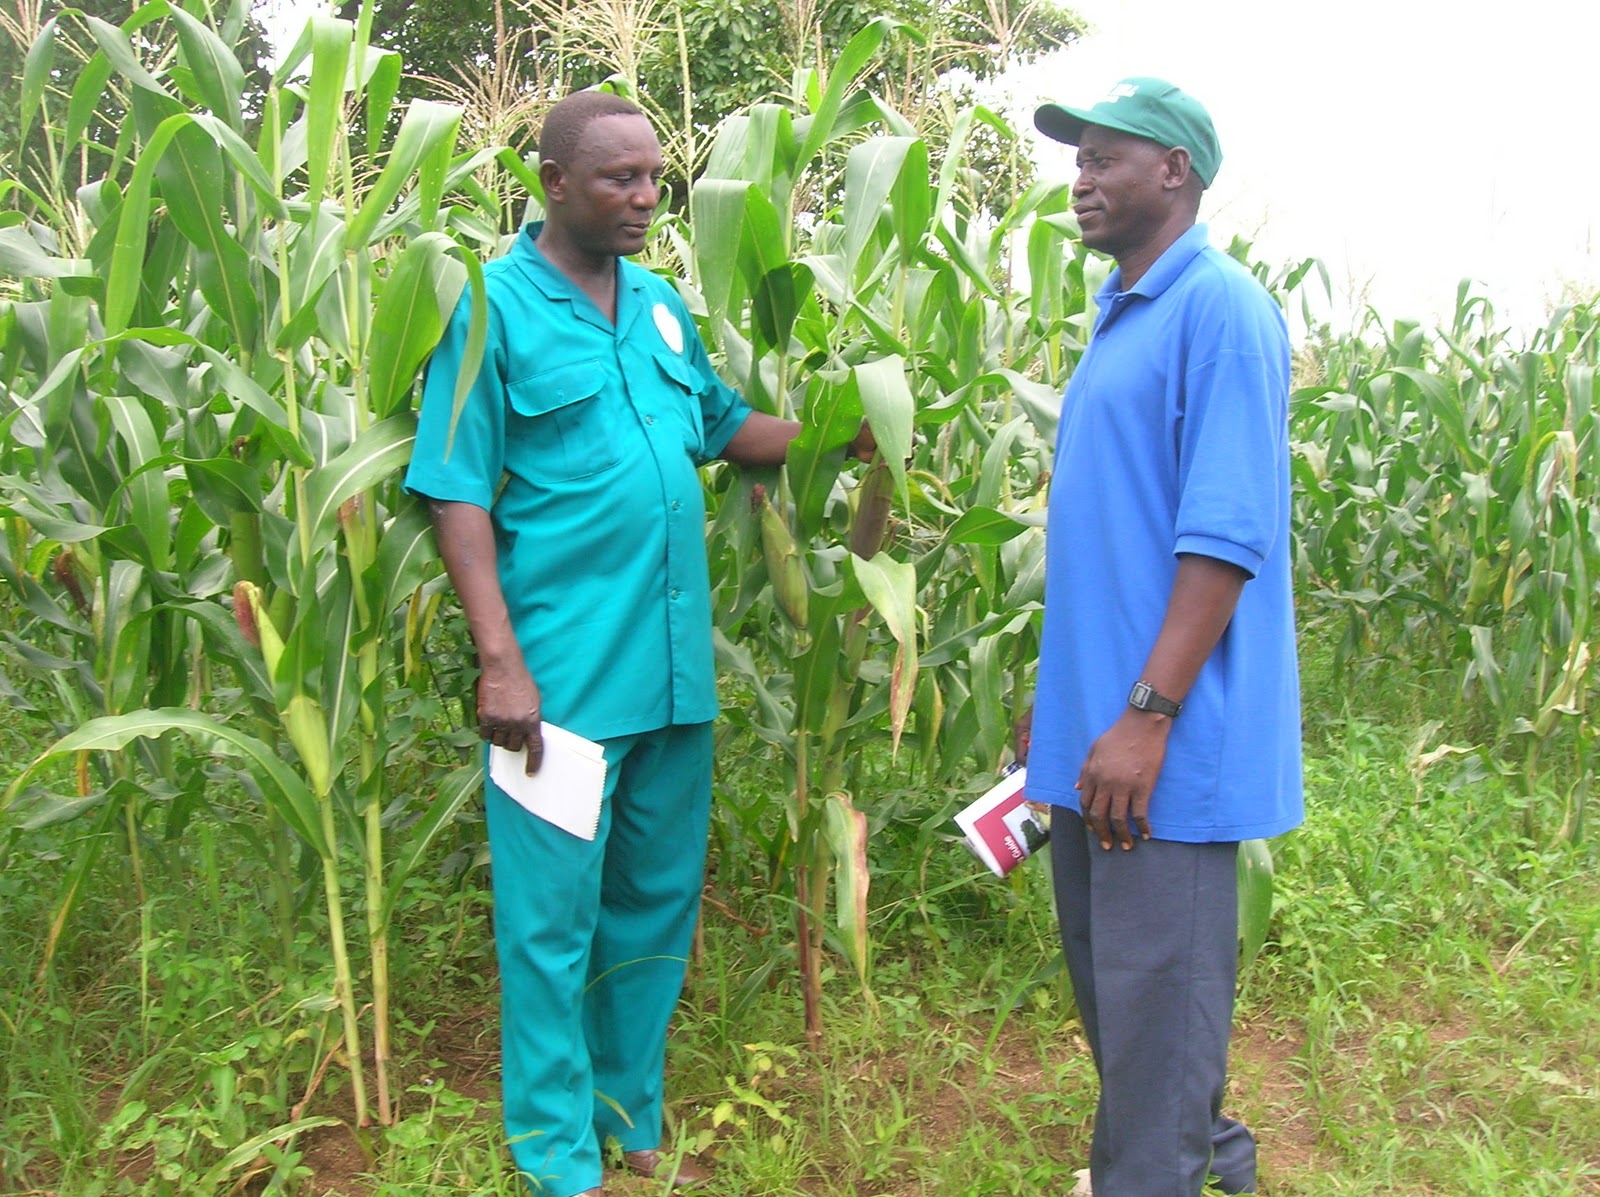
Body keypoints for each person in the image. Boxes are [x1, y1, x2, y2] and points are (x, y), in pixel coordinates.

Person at [404, 89, 871, 1197]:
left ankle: (630, 1107)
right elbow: (456, 490)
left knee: (653, 907)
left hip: (671, 679)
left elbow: (720, 427)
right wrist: (498, 661)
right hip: (562, 680)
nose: (648, 199)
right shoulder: (494, 307)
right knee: (550, 925)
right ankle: (558, 1154)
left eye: (656, 178)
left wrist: (852, 430)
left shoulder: (660, 305)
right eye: (620, 179)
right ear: (553, 183)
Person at [1022, 78, 1305, 1195]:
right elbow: (1111, 543)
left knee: (1155, 994)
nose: (1079, 179)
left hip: (1164, 744)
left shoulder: (1218, 306)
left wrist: (1145, 718)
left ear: (1173, 172)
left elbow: (1224, 535)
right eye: (1077, 160)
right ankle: (1210, 1160)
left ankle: (1155, 1176)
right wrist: (1062, 718)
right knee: (1125, 1003)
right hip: (1099, 732)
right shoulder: (1121, 309)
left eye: (1102, 159)